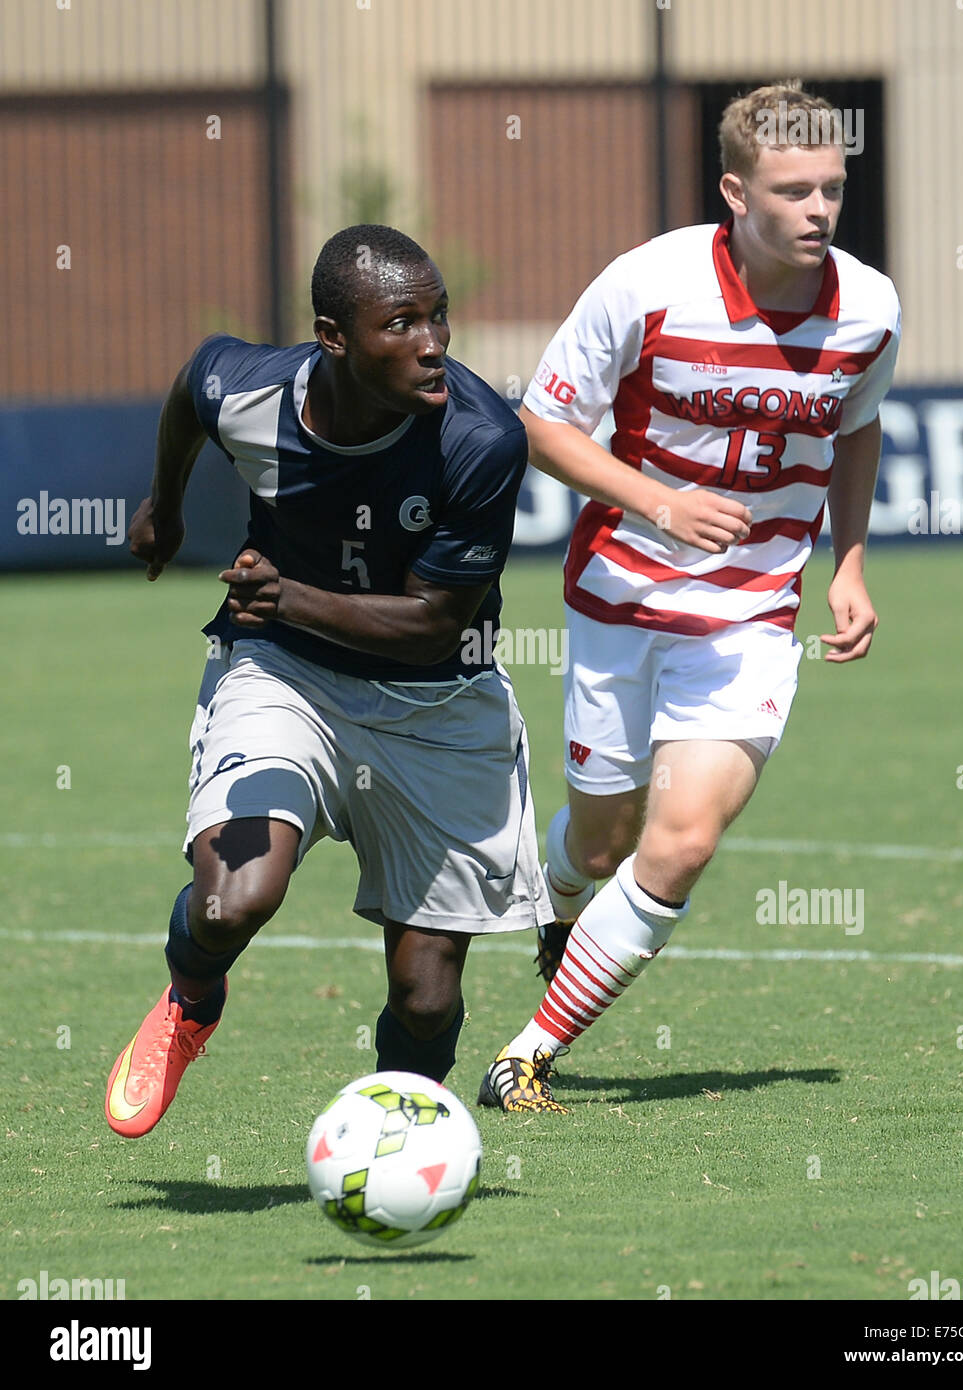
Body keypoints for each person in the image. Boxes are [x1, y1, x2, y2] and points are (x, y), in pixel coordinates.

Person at [478, 81, 901, 1113]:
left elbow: (853, 427)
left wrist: (846, 561)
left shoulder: (872, 309)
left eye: (832, 190)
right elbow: (539, 422)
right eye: (792, 191)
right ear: (734, 190)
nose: (818, 211)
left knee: (684, 841)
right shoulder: (647, 284)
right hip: (619, 602)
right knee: (599, 839)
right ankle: (565, 901)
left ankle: (527, 1051)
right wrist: (658, 502)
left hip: (751, 619)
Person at [105, 223, 552, 1138]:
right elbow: (194, 387)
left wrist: (289, 595)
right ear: (334, 337)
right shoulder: (252, 391)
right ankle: (191, 999)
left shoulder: (479, 440)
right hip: (284, 677)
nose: (433, 343)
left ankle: (393, 1142)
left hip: (439, 701)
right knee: (236, 897)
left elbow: (433, 629)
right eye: (402, 323)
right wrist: (166, 506)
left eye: (438, 318)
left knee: (427, 1003)